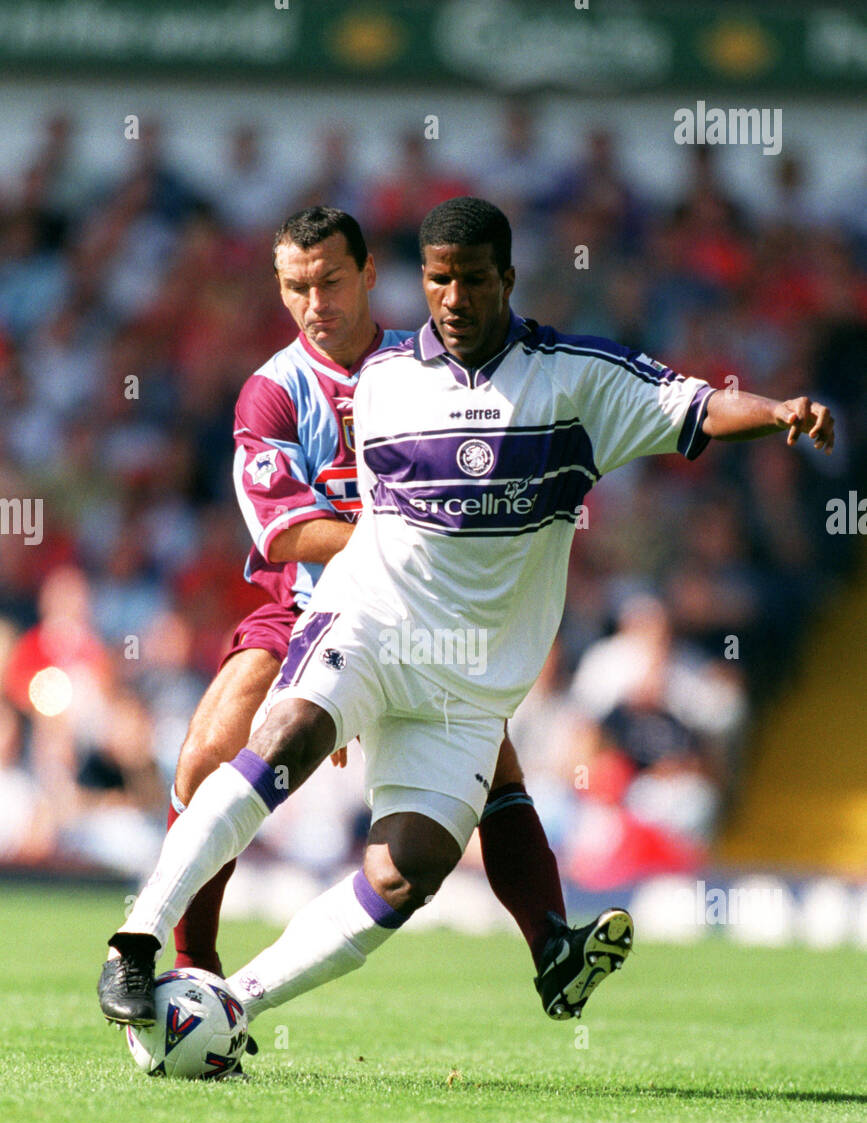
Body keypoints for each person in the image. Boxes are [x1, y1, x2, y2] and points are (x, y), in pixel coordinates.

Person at [98, 195, 833, 1043]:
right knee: (263, 741)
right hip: (360, 622)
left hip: (469, 676)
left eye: (471, 280)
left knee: (408, 871)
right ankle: (140, 939)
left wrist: (776, 412)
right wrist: (328, 674)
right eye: (439, 280)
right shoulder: (368, 385)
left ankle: (233, 1007)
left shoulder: (577, 377)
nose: (452, 298)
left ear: (505, 279)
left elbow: (695, 406)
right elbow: (324, 534)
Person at [132, 203, 580, 1010]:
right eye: (295, 288)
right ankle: (193, 961)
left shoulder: (430, 371)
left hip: (418, 612)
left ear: (370, 275)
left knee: (487, 759)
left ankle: (553, 944)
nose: (315, 303)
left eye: (330, 281)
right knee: (205, 755)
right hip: (302, 608)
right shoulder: (273, 391)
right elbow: (286, 534)